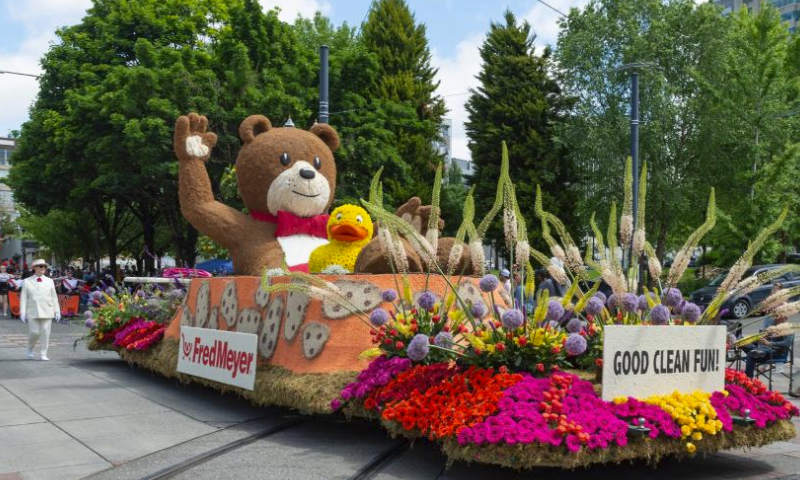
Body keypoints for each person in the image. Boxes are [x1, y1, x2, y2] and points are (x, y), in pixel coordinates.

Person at [20, 259, 61, 361]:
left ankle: (43, 353)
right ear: (34, 268)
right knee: (34, 332)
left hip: (47, 309)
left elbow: (54, 296)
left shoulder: (50, 281)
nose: (43, 268)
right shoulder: (26, 281)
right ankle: (30, 348)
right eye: (40, 266)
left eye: (44, 266)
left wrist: (57, 310)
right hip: (32, 310)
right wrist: (22, 312)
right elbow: (23, 297)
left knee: (46, 332)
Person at [742, 313, 793, 378]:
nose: (775, 318)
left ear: (784, 317)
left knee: (752, 354)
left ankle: (748, 379)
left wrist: (769, 343)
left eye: (777, 316)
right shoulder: (775, 326)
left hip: (776, 352)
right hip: (767, 348)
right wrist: (763, 338)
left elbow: (787, 343)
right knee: (744, 344)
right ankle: (755, 351)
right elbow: (772, 337)